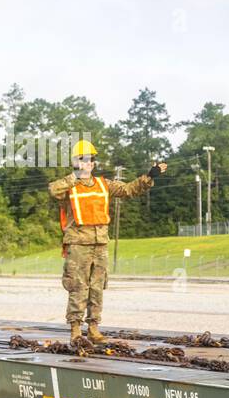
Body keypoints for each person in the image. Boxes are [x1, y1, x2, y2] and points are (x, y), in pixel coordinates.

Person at [48, 140, 164, 342]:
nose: (89, 163)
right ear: (76, 162)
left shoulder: (103, 184)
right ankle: (75, 329)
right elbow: (53, 190)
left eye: (91, 159)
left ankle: (94, 327)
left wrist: (148, 177)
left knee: (97, 286)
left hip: (100, 243)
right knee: (77, 286)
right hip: (78, 243)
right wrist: (76, 175)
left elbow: (128, 190)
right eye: (84, 159)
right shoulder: (69, 185)